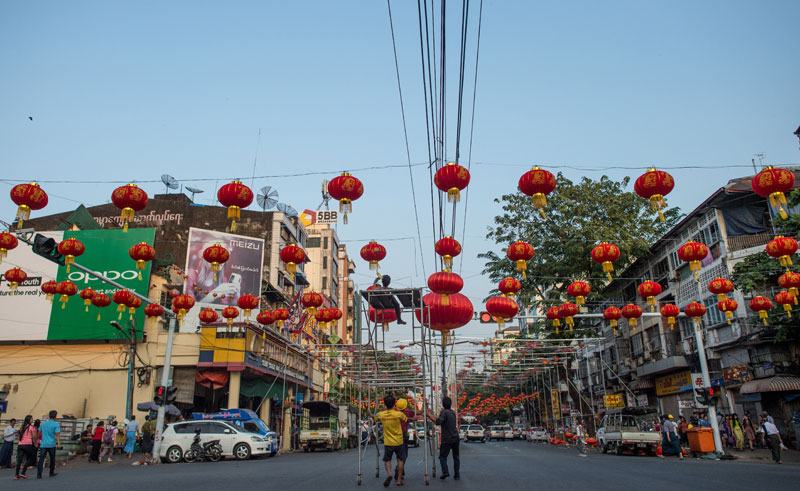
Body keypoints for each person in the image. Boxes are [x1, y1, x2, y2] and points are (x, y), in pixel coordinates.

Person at [371, 395, 407, 487]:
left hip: (388, 442)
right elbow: (407, 419)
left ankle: (389, 474)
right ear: (394, 404)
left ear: (385, 404)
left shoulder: (381, 414)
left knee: (387, 460)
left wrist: (369, 413)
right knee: (400, 460)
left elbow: (374, 417)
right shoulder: (399, 414)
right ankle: (399, 480)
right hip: (399, 441)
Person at [427, 396, 459, 481]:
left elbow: (438, 422)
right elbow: (440, 419)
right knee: (456, 457)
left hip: (447, 439)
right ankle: (457, 475)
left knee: (442, 457)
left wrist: (429, 416)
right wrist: (431, 415)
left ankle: (445, 472)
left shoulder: (444, 412)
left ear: (443, 404)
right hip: (456, 437)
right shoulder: (453, 412)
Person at [36, 410, 61, 478]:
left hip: (43, 444)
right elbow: (57, 434)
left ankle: (39, 474)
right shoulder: (56, 424)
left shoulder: (43, 424)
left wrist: (36, 440)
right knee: (52, 458)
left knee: (41, 459)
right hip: (52, 444)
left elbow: (39, 432)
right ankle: (51, 472)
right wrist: (59, 444)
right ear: (55, 416)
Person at [395, 398, 415, 479]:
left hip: (395, 436)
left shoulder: (395, 413)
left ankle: (401, 471)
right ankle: (398, 469)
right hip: (403, 435)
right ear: (405, 406)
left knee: (398, 455)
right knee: (404, 455)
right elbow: (418, 412)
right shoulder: (408, 413)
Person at [14, 415, 38, 480]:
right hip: (28, 444)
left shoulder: (22, 427)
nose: (32, 420)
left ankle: (16, 475)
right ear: (29, 420)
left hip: (20, 444)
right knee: (30, 458)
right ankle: (23, 472)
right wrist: (35, 443)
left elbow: (19, 433)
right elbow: (33, 436)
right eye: (31, 419)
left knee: (20, 460)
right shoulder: (30, 427)